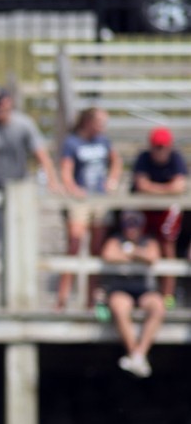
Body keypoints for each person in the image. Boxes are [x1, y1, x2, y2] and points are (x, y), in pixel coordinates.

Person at [0, 85, 59, 308]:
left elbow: (41, 155)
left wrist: (53, 182)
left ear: (9, 102)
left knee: (20, 245)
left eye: (0, 102)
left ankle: (22, 294)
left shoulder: (23, 124)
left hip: (19, 194)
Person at [56, 107, 123, 311]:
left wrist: (112, 181)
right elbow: (65, 171)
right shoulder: (72, 142)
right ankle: (62, 299)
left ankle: (90, 301)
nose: (103, 127)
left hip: (99, 199)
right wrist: (73, 190)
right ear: (88, 122)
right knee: (74, 246)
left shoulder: (103, 141)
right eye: (100, 122)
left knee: (96, 250)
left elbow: (116, 161)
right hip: (80, 201)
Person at [100, 211, 165, 378]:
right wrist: (136, 255)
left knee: (158, 306)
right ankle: (135, 353)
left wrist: (132, 252)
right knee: (119, 306)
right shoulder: (116, 239)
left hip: (143, 290)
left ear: (141, 226)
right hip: (121, 289)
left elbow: (153, 256)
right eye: (128, 225)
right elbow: (108, 254)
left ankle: (138, 354)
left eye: (135, 225)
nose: (131, 229)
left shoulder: (148, 240)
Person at [131, 126, 187, 310]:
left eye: (163, 147)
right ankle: (143, 292)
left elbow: (179, 186)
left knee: (167, 245)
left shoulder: (176, 159)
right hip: (146, 210)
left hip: (166, 211)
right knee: (145, 246)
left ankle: (167, 295)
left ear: (169, 146)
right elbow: (141, 185)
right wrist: (165, 190)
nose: (160, 151)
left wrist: (154, 189)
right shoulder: (143, 158)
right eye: (157, 146)